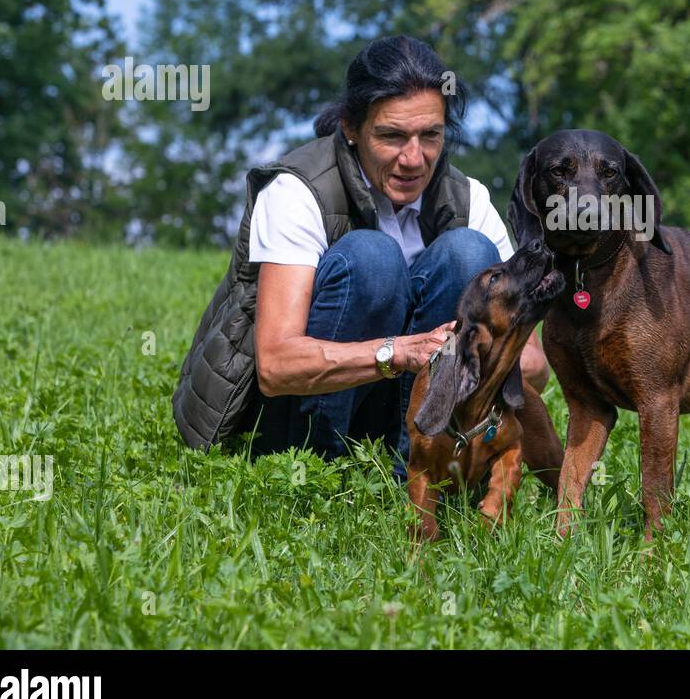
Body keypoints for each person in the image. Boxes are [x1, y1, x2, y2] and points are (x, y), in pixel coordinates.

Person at [172, 36, 548, 477]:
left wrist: (470, 350)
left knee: (468, 253)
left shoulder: (470, 201)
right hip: (286, 421)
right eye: (391, 136)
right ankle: (323, 469)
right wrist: (397, 353)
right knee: (372, 259)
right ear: (350, 127)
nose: (414, 158)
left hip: (410, 419)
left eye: (431, 135)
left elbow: (535, 368)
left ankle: (417, 472)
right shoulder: (297, 190)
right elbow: (275, 365)